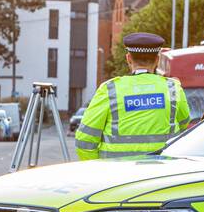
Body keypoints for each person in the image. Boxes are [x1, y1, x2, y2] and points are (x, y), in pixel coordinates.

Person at [75, 32, 190, 160]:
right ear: (157, 60)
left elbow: (85, 140)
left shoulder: (109, 89)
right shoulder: (172, 88)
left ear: (128, 58)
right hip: (161, 176)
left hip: (117, 176)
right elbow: (185, 125)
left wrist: (98, 168)